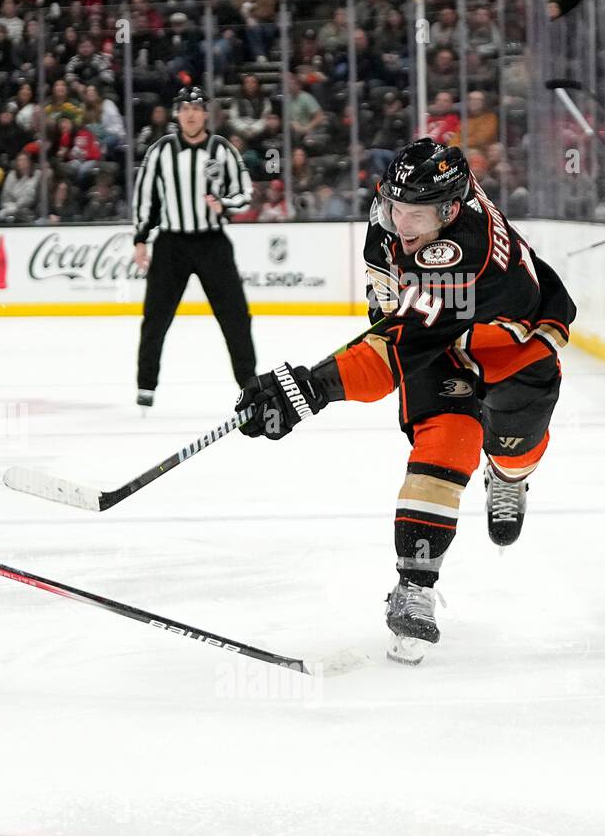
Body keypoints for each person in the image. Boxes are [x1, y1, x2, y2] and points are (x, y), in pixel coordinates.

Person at [233, 138, 576, 665]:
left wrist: (307, 388)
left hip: (515, 348)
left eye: (417, 214)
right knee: (448, 439)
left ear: (450, 210)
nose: (403, 222)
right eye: (397, 207)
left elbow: (394, 350)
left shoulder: (462, 255)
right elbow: (394, 325)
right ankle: (415, 585)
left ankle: (508, 479)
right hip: (438, 340)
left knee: (513, 450)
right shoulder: (396, 218)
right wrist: (314, 382)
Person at [131, 87, 256, 407]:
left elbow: (244, 192)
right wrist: (141, 238)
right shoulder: (159, 152)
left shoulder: (222, 150)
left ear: (205, 114)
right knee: (156, 316)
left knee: (236, 316)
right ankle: (146, 387)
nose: (190, 113)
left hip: (212, 242)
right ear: (177, 113)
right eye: (184, 107)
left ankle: (250, 385)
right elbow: (146, 196)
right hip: (171, 243)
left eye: (196, 108)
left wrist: (224, 204)